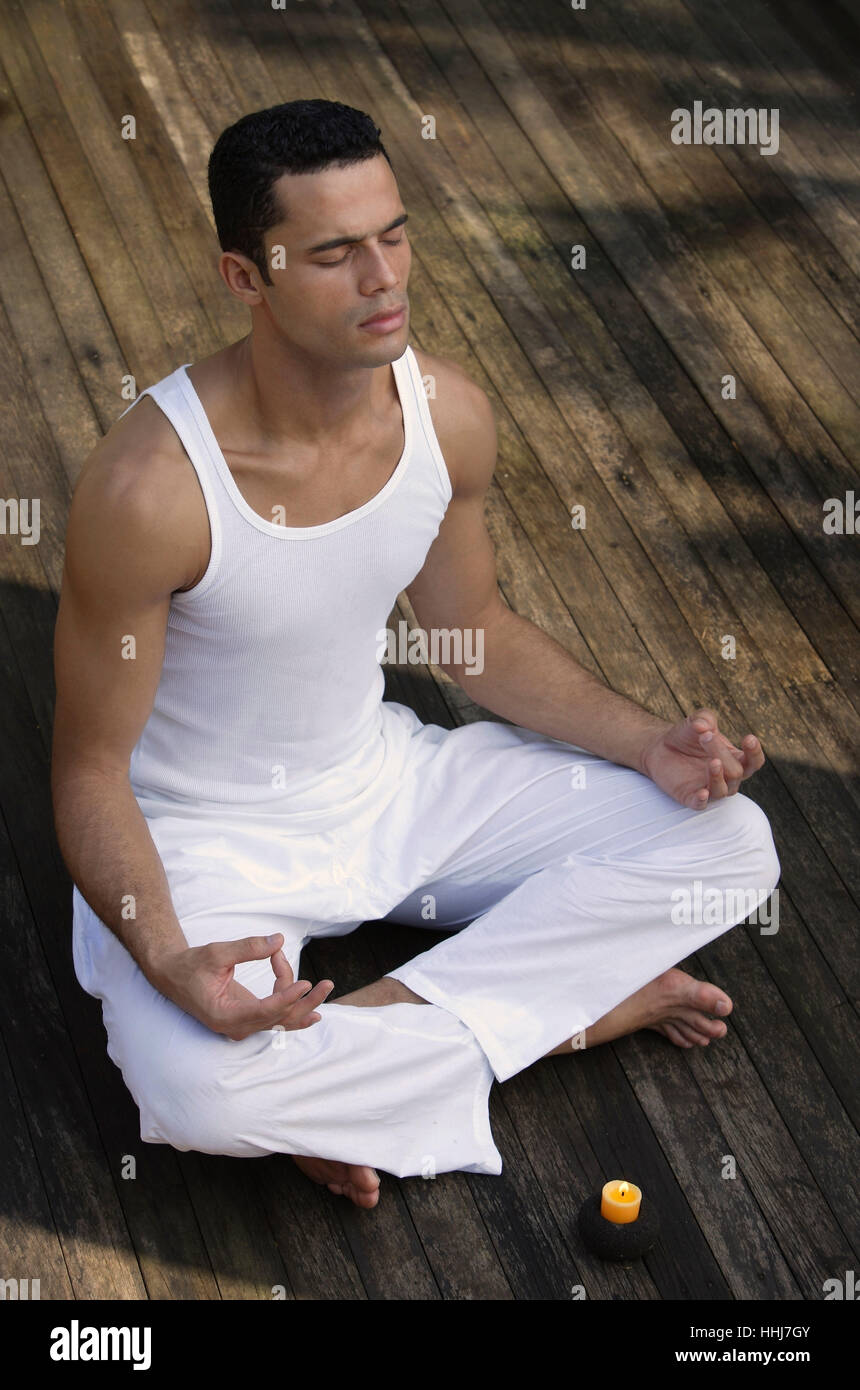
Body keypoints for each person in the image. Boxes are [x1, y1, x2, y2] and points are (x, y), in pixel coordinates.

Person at [52, 99, 780, 1211]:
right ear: (245, 278)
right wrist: (162, 959)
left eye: (392, 234)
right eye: (335, 253)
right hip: (208, 841)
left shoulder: (445, 415)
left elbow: (472, 632)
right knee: (200, 1091)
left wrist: (647, 744)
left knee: (731, 845)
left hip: (389, 784)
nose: (383, 277)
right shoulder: (149, 490)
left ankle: (348, 1062)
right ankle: (567, 1016)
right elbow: (90, 770)